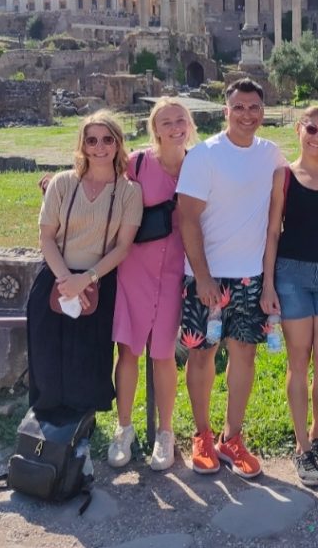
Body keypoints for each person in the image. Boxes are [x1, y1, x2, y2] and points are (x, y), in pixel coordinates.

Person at [176, 78, 285, 479]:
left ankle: (232, 437)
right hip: (206, 276)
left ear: (263, 111)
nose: (247, 115)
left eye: (254, 107)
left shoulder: (270, 153)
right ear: (226, 111)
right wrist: (203, 278)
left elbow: (307, 168)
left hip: (249, 276)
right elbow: (187, 219)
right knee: (202, 354)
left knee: (245, 356)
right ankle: (202, 435)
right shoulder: (205, 155)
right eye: (239, 107)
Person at [28, 111, 143, 418]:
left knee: (87, 366)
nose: (99, 147)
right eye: (91, 140)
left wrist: (86, 279)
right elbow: (46, 236)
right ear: (83, 144)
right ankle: (48, 440)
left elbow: (123, 247)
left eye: (107, 139)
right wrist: (67, 279)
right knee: (48, 360)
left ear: (118, 143)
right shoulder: (63, 183)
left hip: (98, 284)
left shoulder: (129, 192)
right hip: (54, 279)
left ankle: (82, 434)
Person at [262, 106, 318, 486]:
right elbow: (271, 232)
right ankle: (300, 446)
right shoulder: (283, 175)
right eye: (311, 129)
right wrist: (267, 284)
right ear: (299, 129)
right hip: (292, 273)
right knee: (298, 362)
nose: (317, 137)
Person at [109, 99, 197, 471]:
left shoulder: (199, 163)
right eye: (167, 121)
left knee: (163, 353)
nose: (175, 126)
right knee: (128, 351)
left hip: (176, 269)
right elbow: (98, 178)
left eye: (180, 120)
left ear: (189, 124)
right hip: (135, 268)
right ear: (155, 128)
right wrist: (57, 184)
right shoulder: (138, 164)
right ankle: (124, 427)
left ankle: (165, 432)